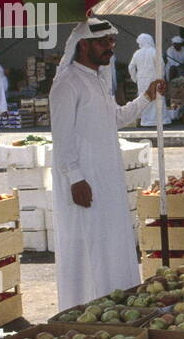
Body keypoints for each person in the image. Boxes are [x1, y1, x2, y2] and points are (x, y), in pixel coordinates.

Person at [50, 17, 166, 310]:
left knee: (111, 243)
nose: (110, 48)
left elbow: (115, 119)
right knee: (87, 246)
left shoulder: (98, 80)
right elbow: (61, 137)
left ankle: (114, 306)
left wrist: (146, 98)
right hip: (83, 182)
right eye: (103, 42)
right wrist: (75, 177)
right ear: (84, 44)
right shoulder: (67, 83)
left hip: (107, 179)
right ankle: (83, 308)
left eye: (112, 42)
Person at [129, 33, 174, 127]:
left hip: (141, 80)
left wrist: (135, 78)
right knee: (157, 98)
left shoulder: (137, 53)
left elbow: (131, 67)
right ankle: (159, 120)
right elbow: (161, 65)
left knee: (144, 98)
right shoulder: (154, 52)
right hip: (154, 79)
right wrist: (161, 78)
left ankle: (146, 120)